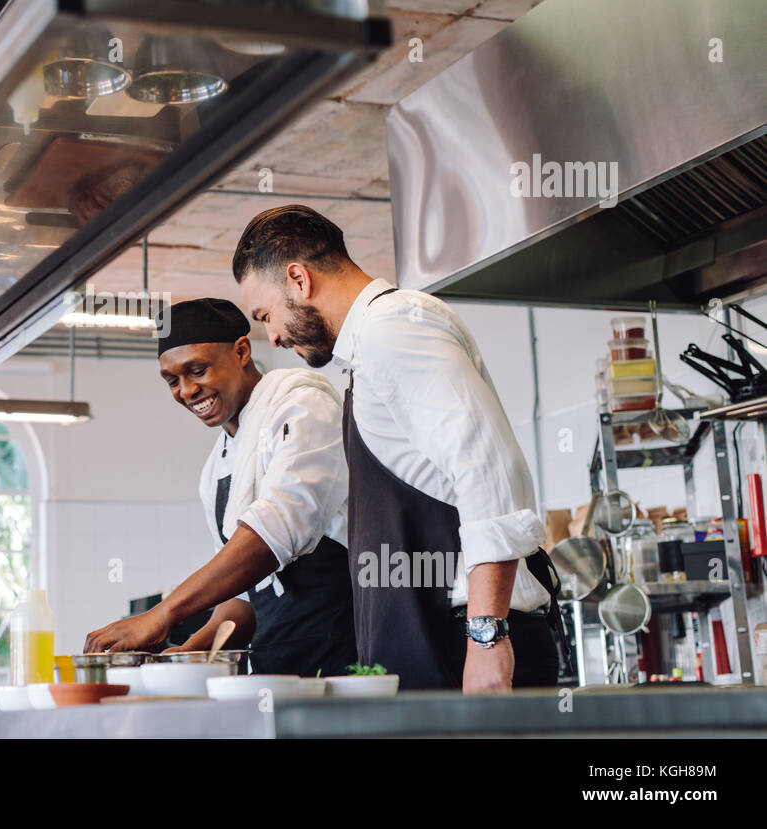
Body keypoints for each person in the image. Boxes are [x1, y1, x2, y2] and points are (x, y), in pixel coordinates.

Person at [232, 205, 560, 692]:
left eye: (266, 315)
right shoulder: (368, 349)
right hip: (432, 641)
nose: (273, 335)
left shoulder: (394, 329)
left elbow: (490, 470)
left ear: (298, 280)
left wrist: (487, 637)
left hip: (463, 642)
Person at [83, 298, 357, 677]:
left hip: (343, 658)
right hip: (273, 667)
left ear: (242, 351)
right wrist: (188, 655)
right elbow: (242, 600)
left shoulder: (304, 408)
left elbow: (274, 532)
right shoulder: (216, 467)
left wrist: (163, 613)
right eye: (172, 381)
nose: (187, 391)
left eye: (197, 370)